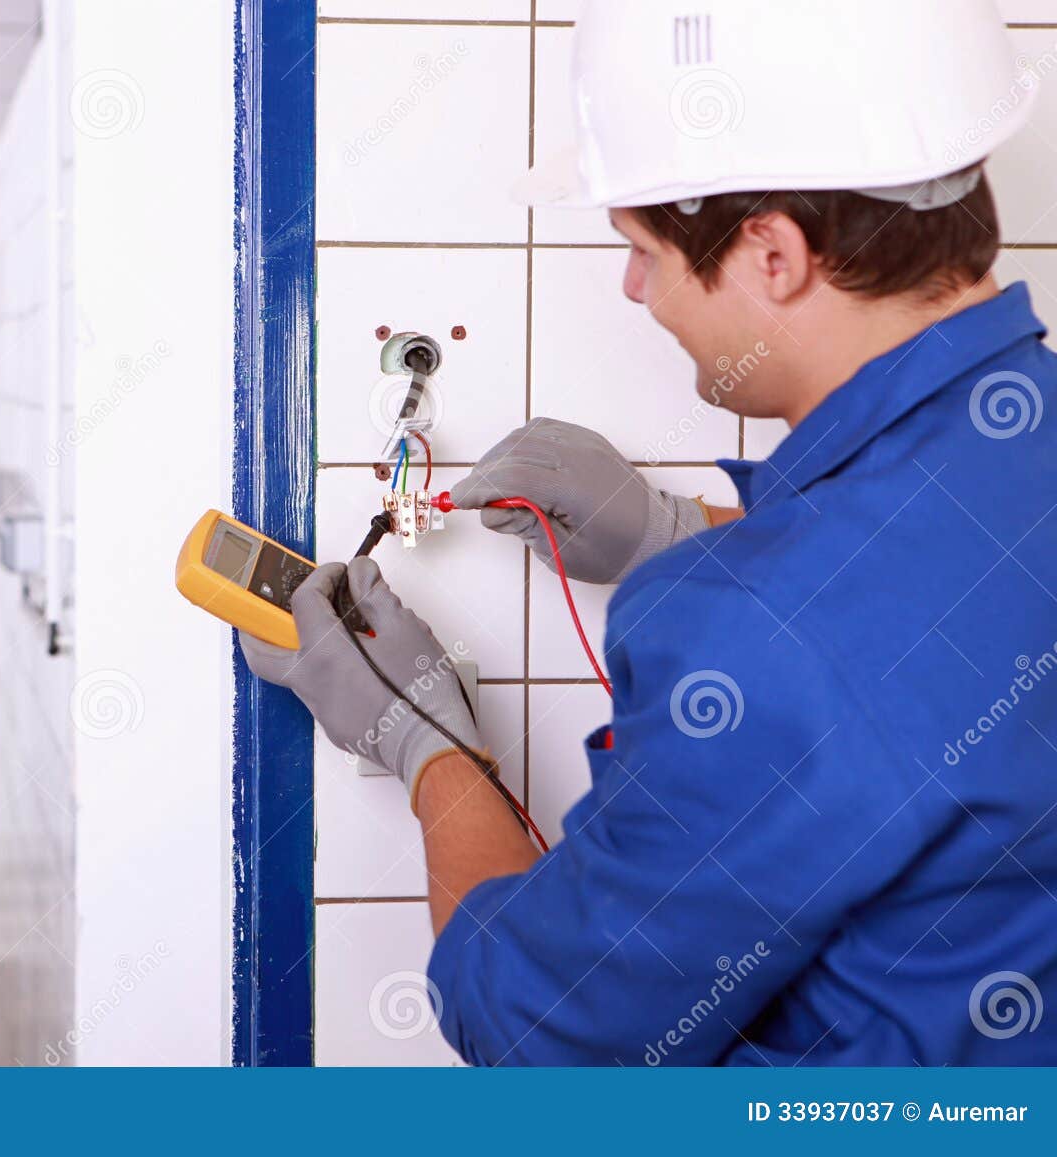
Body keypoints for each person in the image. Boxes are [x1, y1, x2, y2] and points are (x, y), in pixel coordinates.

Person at [243, 0, 1057, 1064]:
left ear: (772, 252)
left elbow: (533, 1029)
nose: (635, 290)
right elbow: (940, 581)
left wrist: (425, 746)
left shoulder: (751, 630)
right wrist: (678, 530)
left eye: (641, 250)